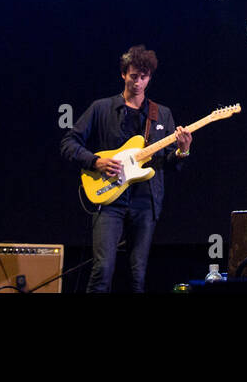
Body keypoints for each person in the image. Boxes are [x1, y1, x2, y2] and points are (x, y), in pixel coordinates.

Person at [60, 45, 192, 293]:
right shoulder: (101, 108)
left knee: (137, 276)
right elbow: (68, 143)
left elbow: (170, 163)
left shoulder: (161, 114)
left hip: (146, 202)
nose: (138, 83)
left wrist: (183, 150)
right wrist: (95, 161)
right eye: (134, 76)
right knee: (102, 270)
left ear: (150, 77)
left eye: (144, 77)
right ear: (123, 74)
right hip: (110, 200)